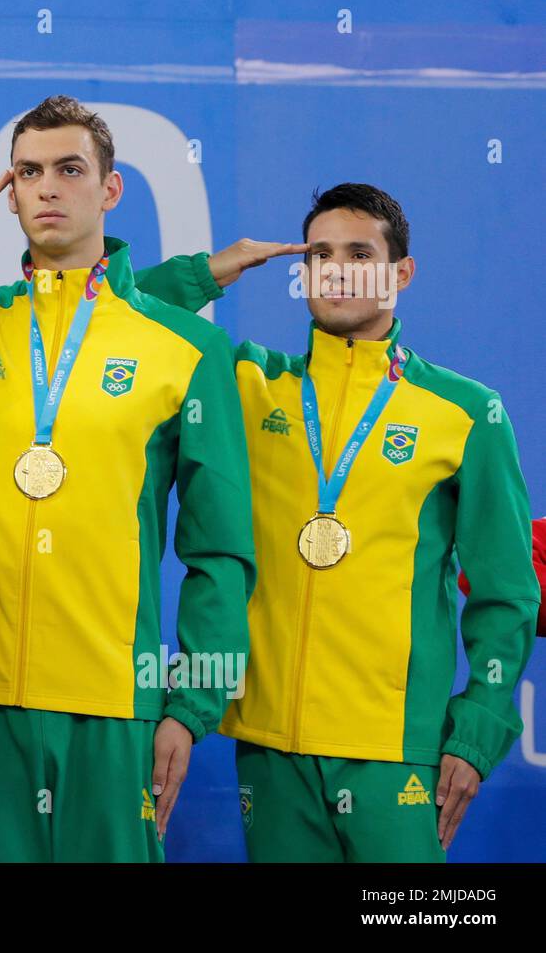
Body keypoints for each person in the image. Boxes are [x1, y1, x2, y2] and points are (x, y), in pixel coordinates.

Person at [0, 95, 286, 861]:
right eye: (28, 172)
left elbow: (220, 551)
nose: (47, 187)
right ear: (8, 193)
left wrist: (190, 705)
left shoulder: (185, 347)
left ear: (110, 189)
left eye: (69, 169)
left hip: (112, 700)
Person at [151, 182, 539, 861]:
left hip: (394, 754)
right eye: (320, 253)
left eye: (360, 252)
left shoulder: (466, 413)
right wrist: (211, 269)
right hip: (271, 751)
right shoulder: (248, 386)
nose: (336, 268)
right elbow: (128, 317)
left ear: (402, 272)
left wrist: (478, 727)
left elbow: (508, 593)